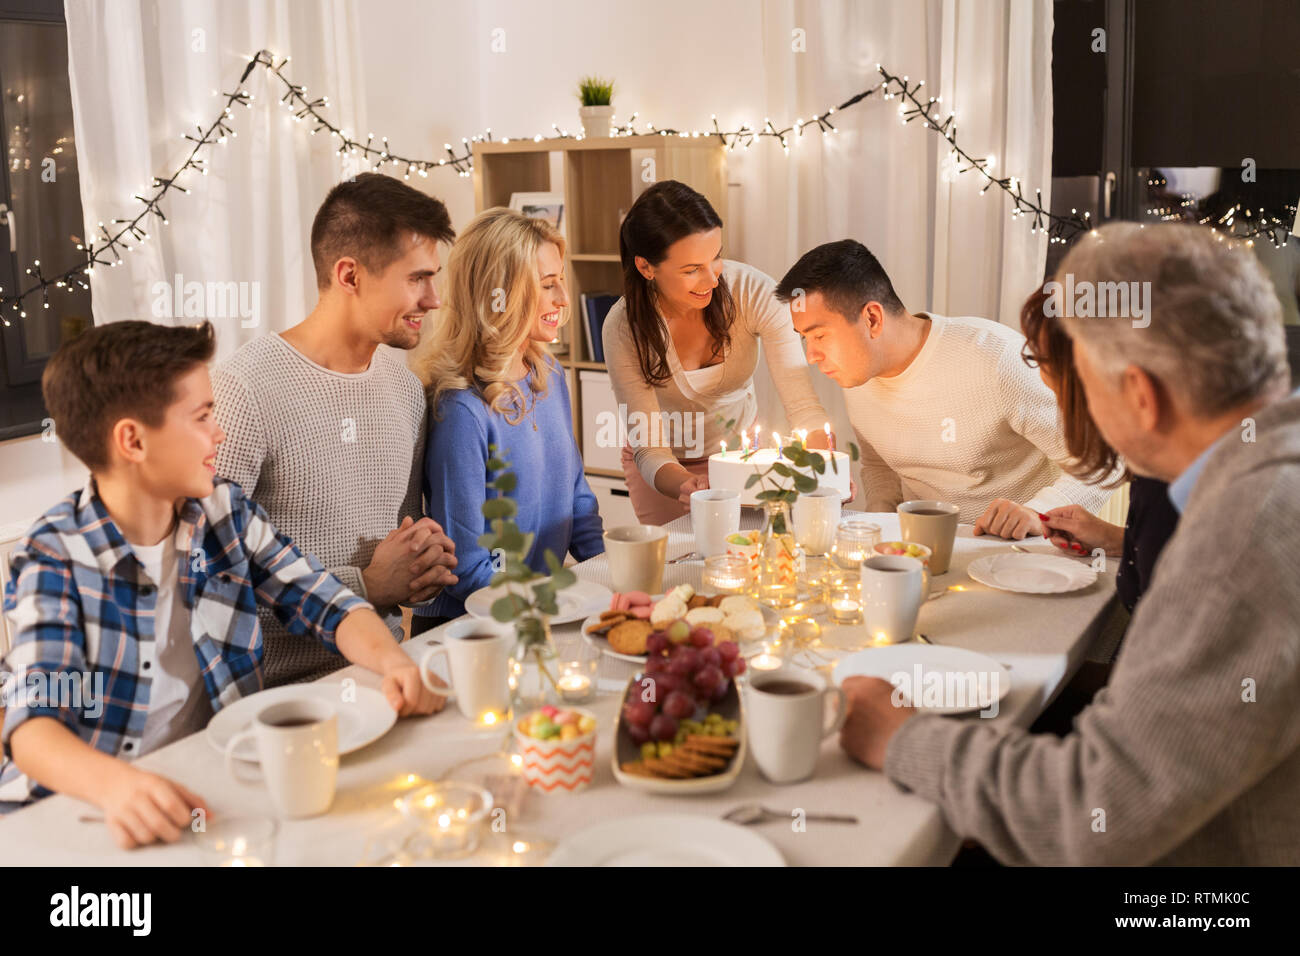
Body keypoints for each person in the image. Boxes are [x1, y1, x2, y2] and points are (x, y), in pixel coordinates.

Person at [840, 223, 1299, 865]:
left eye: (1074, 382)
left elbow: (1092, 818)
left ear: (1139, 395)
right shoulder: (1267, 471)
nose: (1066, 405)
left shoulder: (1241, 541)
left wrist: (903, 739)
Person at [0, 321, 445, 845]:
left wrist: (393, 661)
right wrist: (118, 788)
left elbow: (329, 602)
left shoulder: (222, 512)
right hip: (77, 813)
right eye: (202, 416)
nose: (220, 432)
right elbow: (30, 724)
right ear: (133, 440)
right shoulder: (54, 556)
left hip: (205, 784)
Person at [214, 173, 459, 685]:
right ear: (350, 276)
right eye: (416, 278)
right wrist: (364, 586)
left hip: (391, 674)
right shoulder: (246, 389)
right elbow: (210, 584)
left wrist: (424, 570)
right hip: (285, 700)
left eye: (433, 277)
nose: (433, 299)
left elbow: (401, 549)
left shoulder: (403, 385)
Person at [774, 239, 1115, 538]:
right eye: (804, 339)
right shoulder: (857, 377)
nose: (812, 356)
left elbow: (1100, 467)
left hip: (1021, 554)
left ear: (872, 319)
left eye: (819, 336)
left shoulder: (996, 358)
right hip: (921, 551)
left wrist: (1039, 513)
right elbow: (880, 467)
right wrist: (877, 523)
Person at [414, 209, 605, 627]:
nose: (562, 299)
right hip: (473, 625)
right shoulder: (462, 410)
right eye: (548, 285)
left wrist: (610, 575)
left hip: (535, 608)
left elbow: (576, 494)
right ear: (499, 293)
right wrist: (556, 602)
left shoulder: (548, 374)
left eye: (561, 281)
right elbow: (468, 570)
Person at [604, 180, 833, 524]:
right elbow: (650, 448)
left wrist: (825, 473)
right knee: (678, 568)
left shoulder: (753, 293)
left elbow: (804, 408)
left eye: (716, 258)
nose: (712, 279)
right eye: (691, 269)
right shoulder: (624, 327)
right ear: (646, 267)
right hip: (666, 470)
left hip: (743, 459)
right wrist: (688, 484)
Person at [1018, 288, 1180, 615]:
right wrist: (1114, 539)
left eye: (1042, 362)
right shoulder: (1158, 465)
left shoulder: (1169, 480)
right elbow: (1183, 554)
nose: (1043, 381)